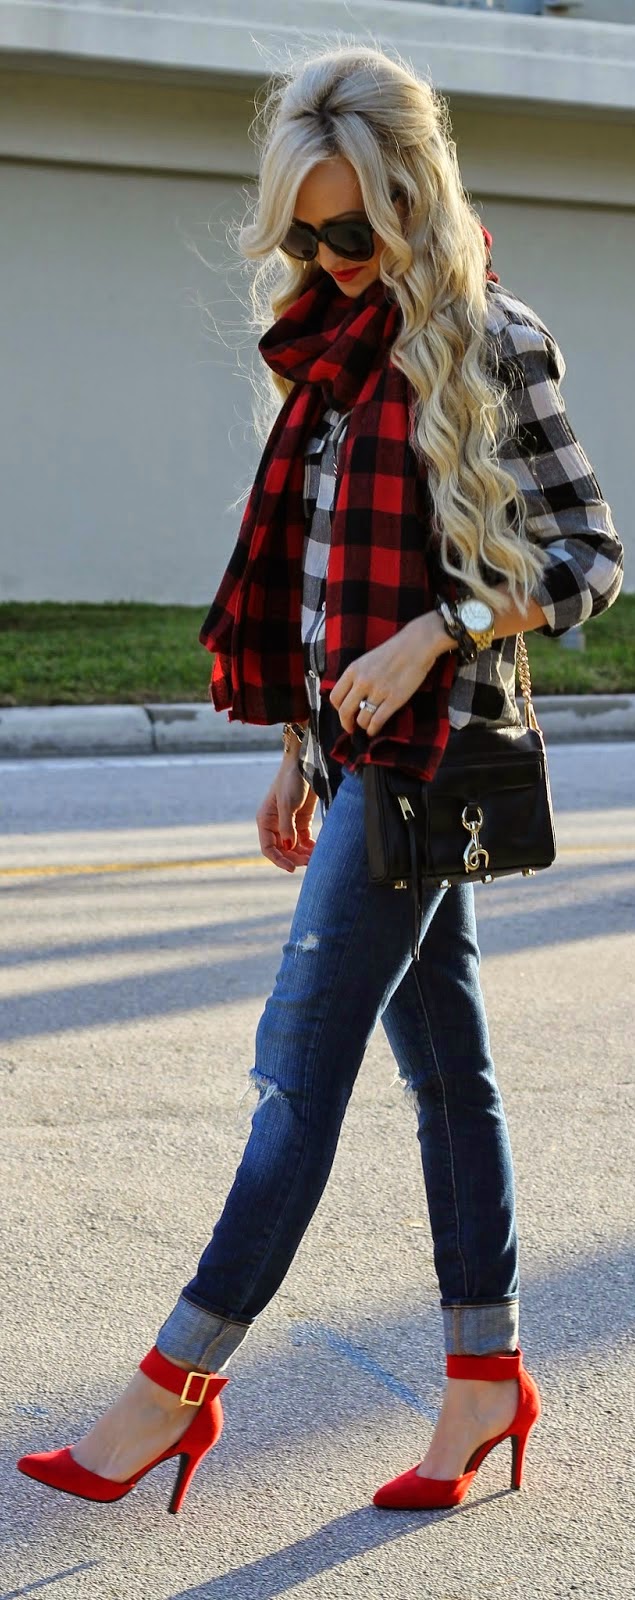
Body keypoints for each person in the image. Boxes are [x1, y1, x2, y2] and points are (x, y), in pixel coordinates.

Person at [18, 44, 623, 1516]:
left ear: (415, 202)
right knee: (448, 1075)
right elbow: (307, 583)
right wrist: (299, 743)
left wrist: (441, 629)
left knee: (299, 1076)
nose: (330, 260)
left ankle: (172, 1391)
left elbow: (591, 559)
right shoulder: (323, 358)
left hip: (437, 757)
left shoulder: (492, 341)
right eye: (305, 233)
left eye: (354, 233)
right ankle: (486, 1375)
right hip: (357, 759)